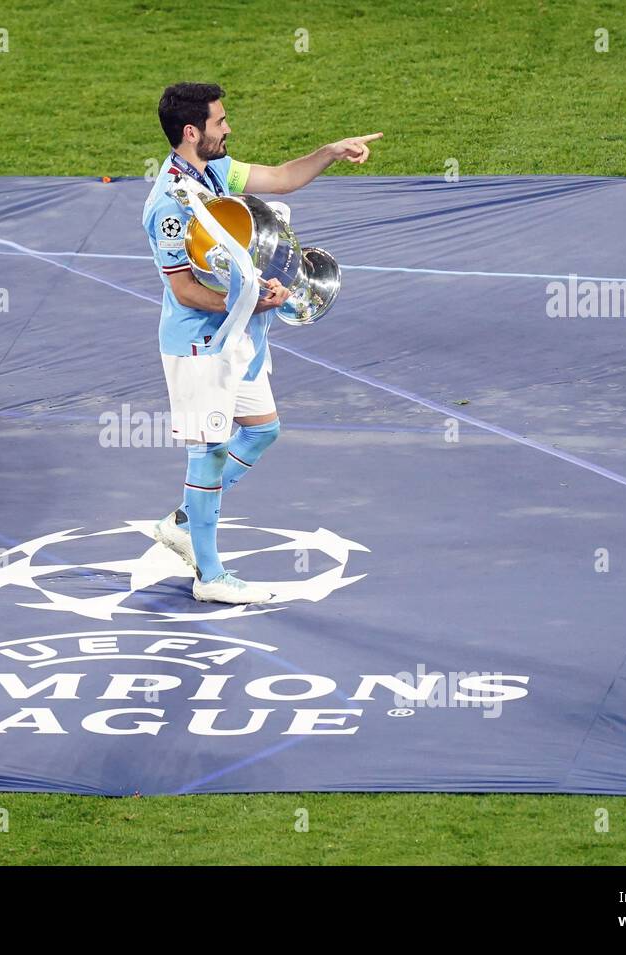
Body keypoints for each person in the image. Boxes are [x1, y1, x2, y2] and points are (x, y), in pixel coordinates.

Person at [141, 81, 383, 604]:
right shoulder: (168, 204)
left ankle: (186, 519)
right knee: (207, 452)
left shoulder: (214, 171)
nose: (228, 128)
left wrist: (331, 151)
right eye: (220, 121)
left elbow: (282, 179)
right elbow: (183, 289)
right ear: (192, 131)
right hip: (197, 345)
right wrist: (248, 302)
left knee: (263, 428)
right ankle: (210, 576)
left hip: (235, 332)